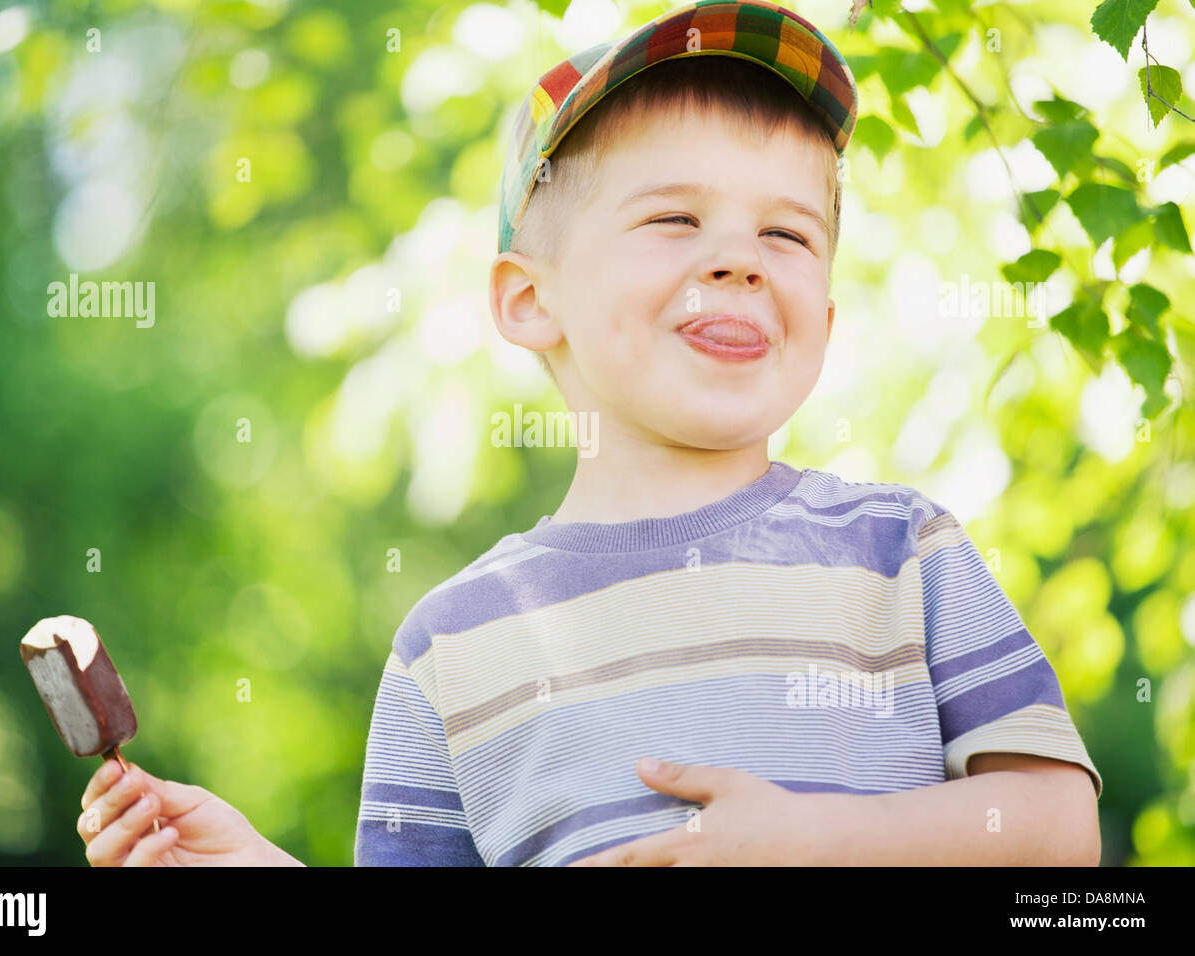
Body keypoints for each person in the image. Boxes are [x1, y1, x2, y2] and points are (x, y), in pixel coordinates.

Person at [78, 0, 1101, 867]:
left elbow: (1058, 827)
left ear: (823, 322)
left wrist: (814, 835)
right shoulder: (452, 647)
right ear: (531, 301)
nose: (740, 259)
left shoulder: (901, 551)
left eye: (785, 233)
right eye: (673, 219)